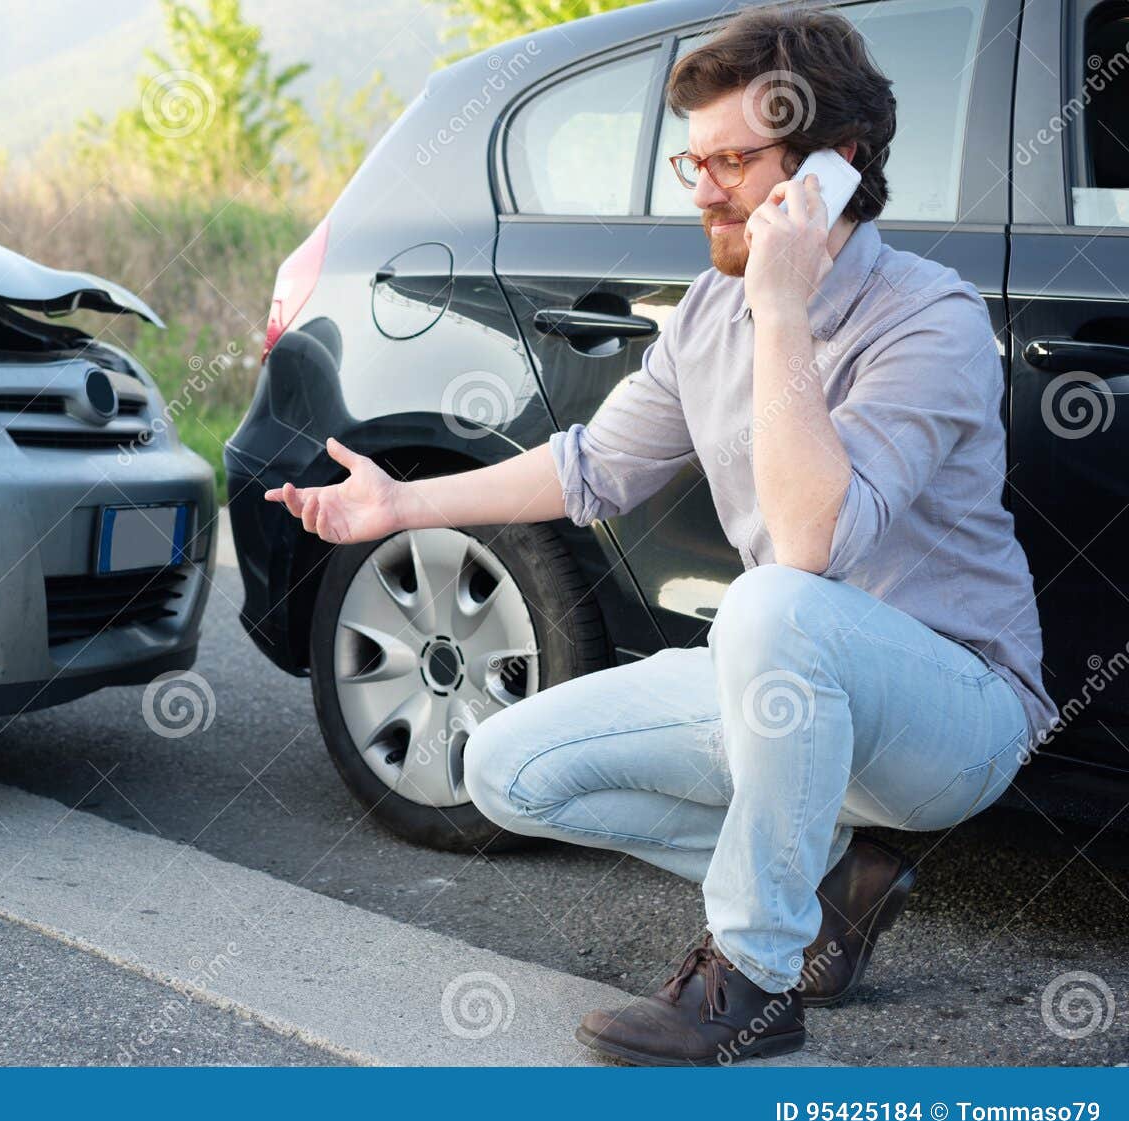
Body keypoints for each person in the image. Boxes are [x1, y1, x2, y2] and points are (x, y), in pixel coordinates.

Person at [265, 4, 1058, 1066]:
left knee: (774, 599)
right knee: (503, 764)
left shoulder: (932, 319)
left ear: (831, 165)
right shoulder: (703, 315)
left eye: (734, 160)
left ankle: (755, 977)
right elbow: (591, 466)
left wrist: (781, 310)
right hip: (787, 690)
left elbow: (810, 539)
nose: (704, 190)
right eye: (694, 160)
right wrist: (399, 504)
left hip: (953, 711)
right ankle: (823, 878)